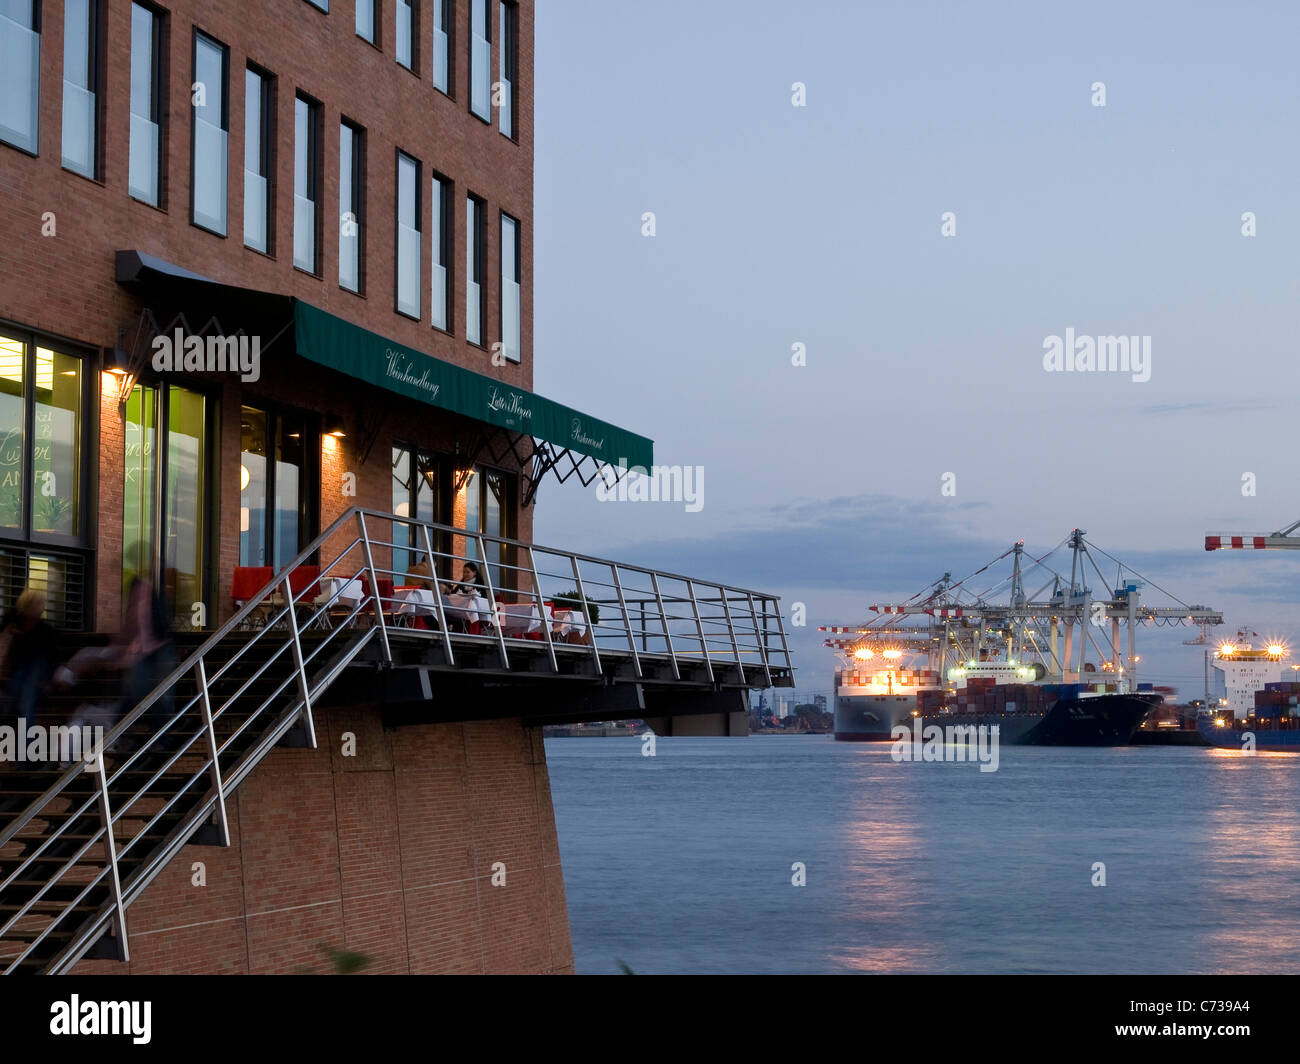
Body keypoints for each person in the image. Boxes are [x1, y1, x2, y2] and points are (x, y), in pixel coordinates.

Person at [0, 589, 61, 729]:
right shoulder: (11, 622)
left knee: (31, 671)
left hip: (36, 679)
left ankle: (25, 742)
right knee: (24, 681)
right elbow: (4, 652)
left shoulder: (45, 631)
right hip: (16, 677)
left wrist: (49, 681)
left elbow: (52, 659)